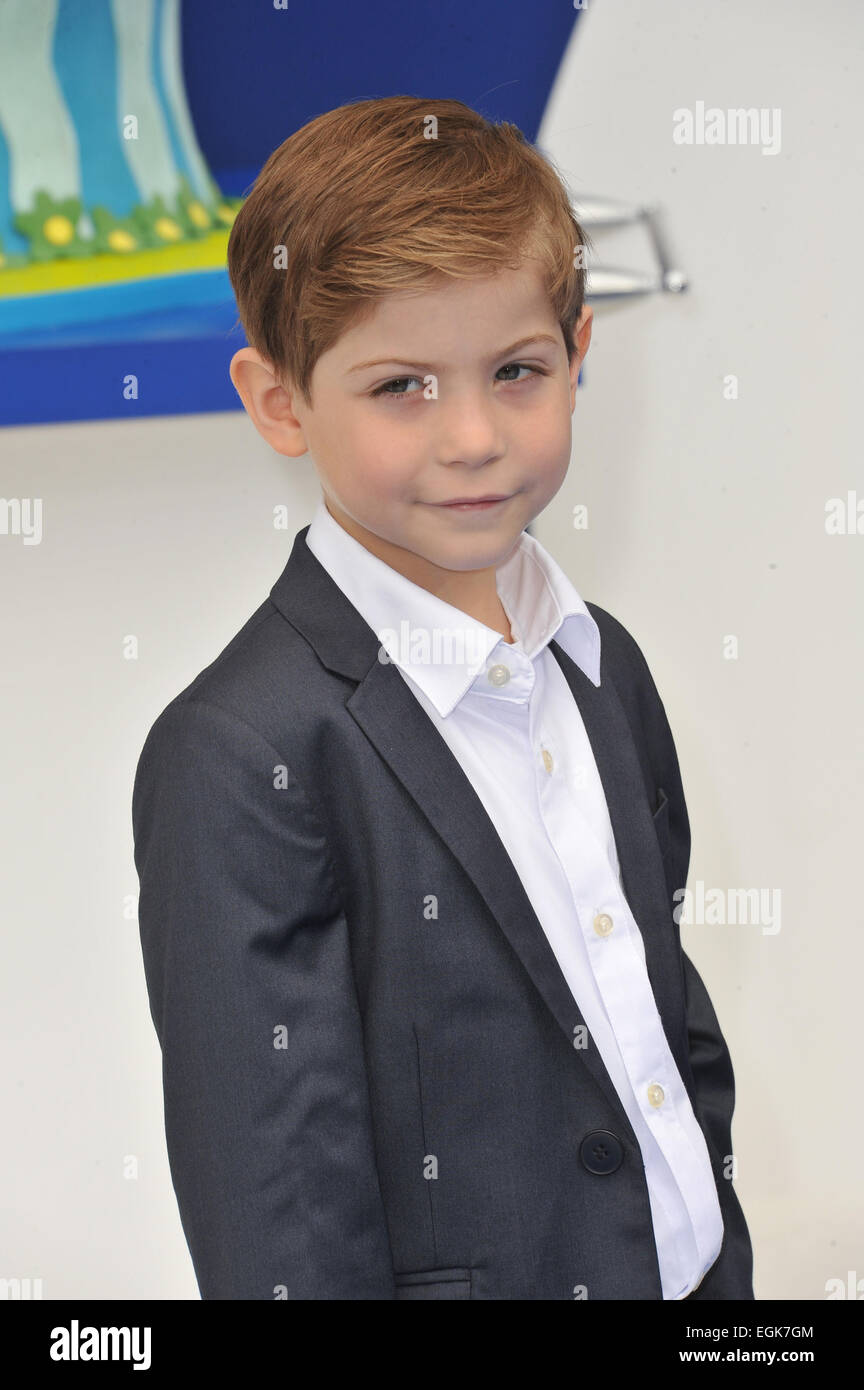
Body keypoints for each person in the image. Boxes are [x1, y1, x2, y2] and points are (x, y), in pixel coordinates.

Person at [132, 94, 754, 1300]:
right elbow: (278, 1204)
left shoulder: (602, 659)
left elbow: (653, 1003)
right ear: (280, 401)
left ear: (578, 355)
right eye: (403, 386)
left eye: (516, 371)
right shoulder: (239, 750)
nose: (474, 434)